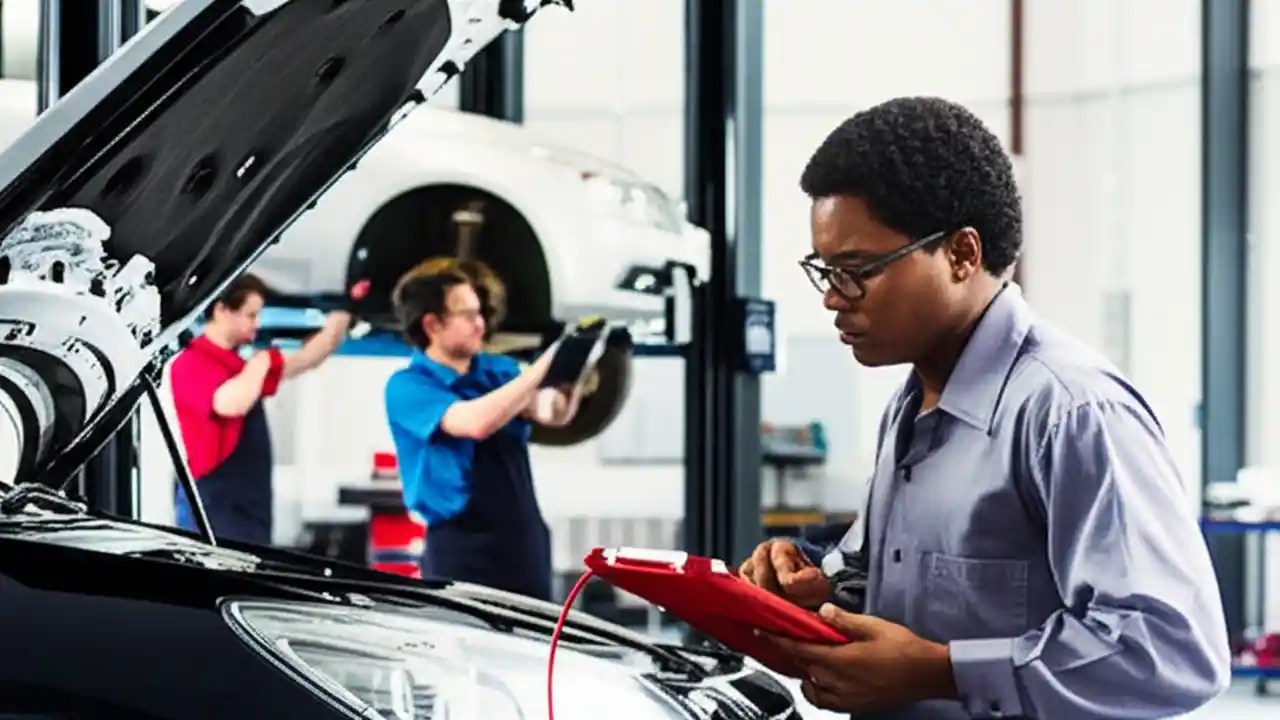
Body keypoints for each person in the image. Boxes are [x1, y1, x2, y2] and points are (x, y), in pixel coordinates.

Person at [738, 96, 1231, 719]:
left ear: (962, 254)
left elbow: (1171, 651)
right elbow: (894, 583)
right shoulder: (911, 405)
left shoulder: (1071, 413)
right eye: (825, 271)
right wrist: (816, 590)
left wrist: (938, 672)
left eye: (858, 270)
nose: (835, 299)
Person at [383, 269, 582, 601]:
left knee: (532, 646)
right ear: (432, 324)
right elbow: (475, 423)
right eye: (468, 315)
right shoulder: (408, 386)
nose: (481, 324)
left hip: (523, 538)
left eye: (480, 313)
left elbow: (550, 413)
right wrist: (541, 368)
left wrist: (570, 375)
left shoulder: (498, 370)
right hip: (460, 549)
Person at [169, 273, 353, 545]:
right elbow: (229, 403)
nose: (257, 324)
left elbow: (302, 361)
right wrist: (261, 362)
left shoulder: (238, 364)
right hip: (215, 509)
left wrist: (335, 328)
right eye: (250, 315)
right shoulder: (192, 361)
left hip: (249, 505)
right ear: (221, 310)